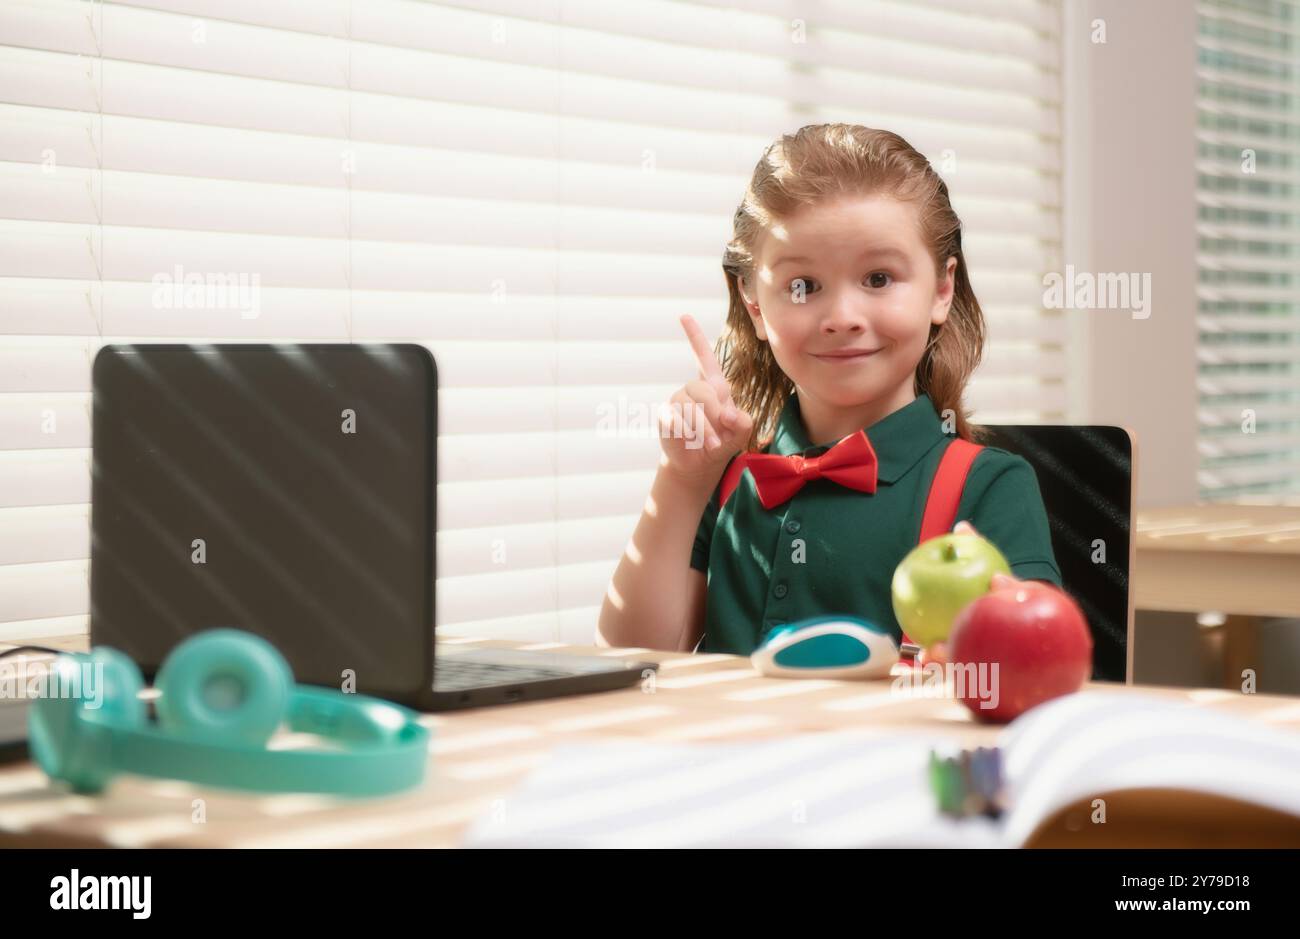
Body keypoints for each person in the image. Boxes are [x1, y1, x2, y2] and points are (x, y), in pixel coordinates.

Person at [597, 124, 1060, 657]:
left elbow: (1034, 666)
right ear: (754, 306)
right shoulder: (724, 481)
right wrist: (680, 481)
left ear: (941, 289)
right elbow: (631, 658)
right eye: (803, 286)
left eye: (879, 279)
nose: (841, 318)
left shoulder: (990, 486)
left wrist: (990, 640)